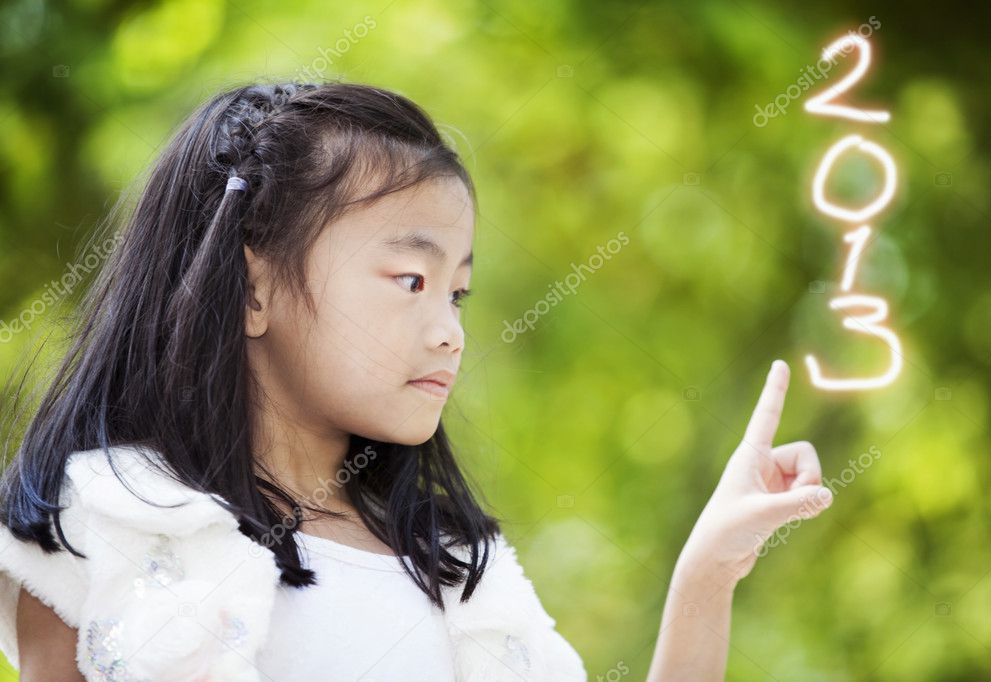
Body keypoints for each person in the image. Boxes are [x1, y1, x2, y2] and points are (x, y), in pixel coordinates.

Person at [0, 81, 833, 681]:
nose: (449, 330)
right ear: (253, 288)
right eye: (409, 280)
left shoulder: (457, 567)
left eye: (458, 293)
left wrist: (706, 574)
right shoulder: (102, 525)